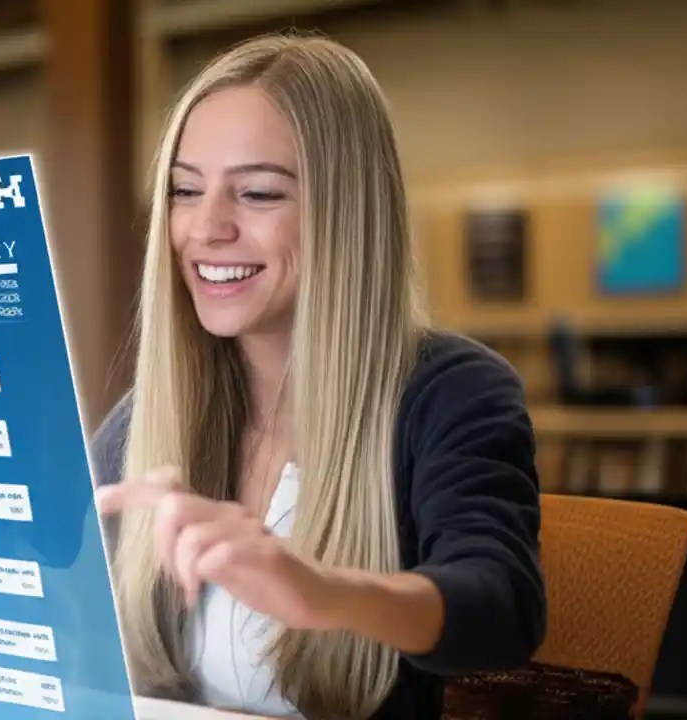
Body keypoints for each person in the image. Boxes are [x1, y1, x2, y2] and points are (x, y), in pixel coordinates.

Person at [90, 33, 545, 720]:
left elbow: (501, 605)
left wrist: (323, 591)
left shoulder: (452, 394)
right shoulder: (148, 412)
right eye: (185, 190)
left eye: (259, 193)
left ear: (347, 210)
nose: (207, 226)